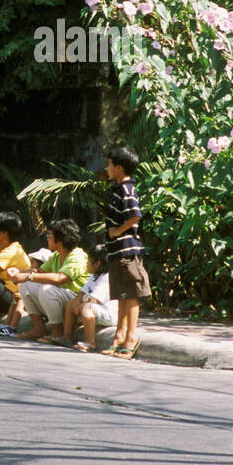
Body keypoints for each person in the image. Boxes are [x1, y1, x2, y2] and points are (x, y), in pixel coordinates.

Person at [102, 145, 151, 358]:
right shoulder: (117, 189)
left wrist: (117, 232)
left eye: (110, 164)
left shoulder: (127, 189)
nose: (107, 168)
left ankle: (131, 336)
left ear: (119, 167)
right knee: (122, 295)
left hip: (127, 250)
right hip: (118, 252)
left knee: (131, 295)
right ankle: (120, 335)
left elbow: (135, 216)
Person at [12, 218, 91, 341]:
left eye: (49, 235)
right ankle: (39, 328)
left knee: (47, 289)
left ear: (60, 239)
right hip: (60, 298)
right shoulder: (56, 255)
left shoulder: (77, 256)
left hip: (76, 300)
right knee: (25, 285)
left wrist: (28, 276)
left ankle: (57, 331)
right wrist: (19, 272)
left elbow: (60, 278)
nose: (47, 238)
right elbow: (39, 272)